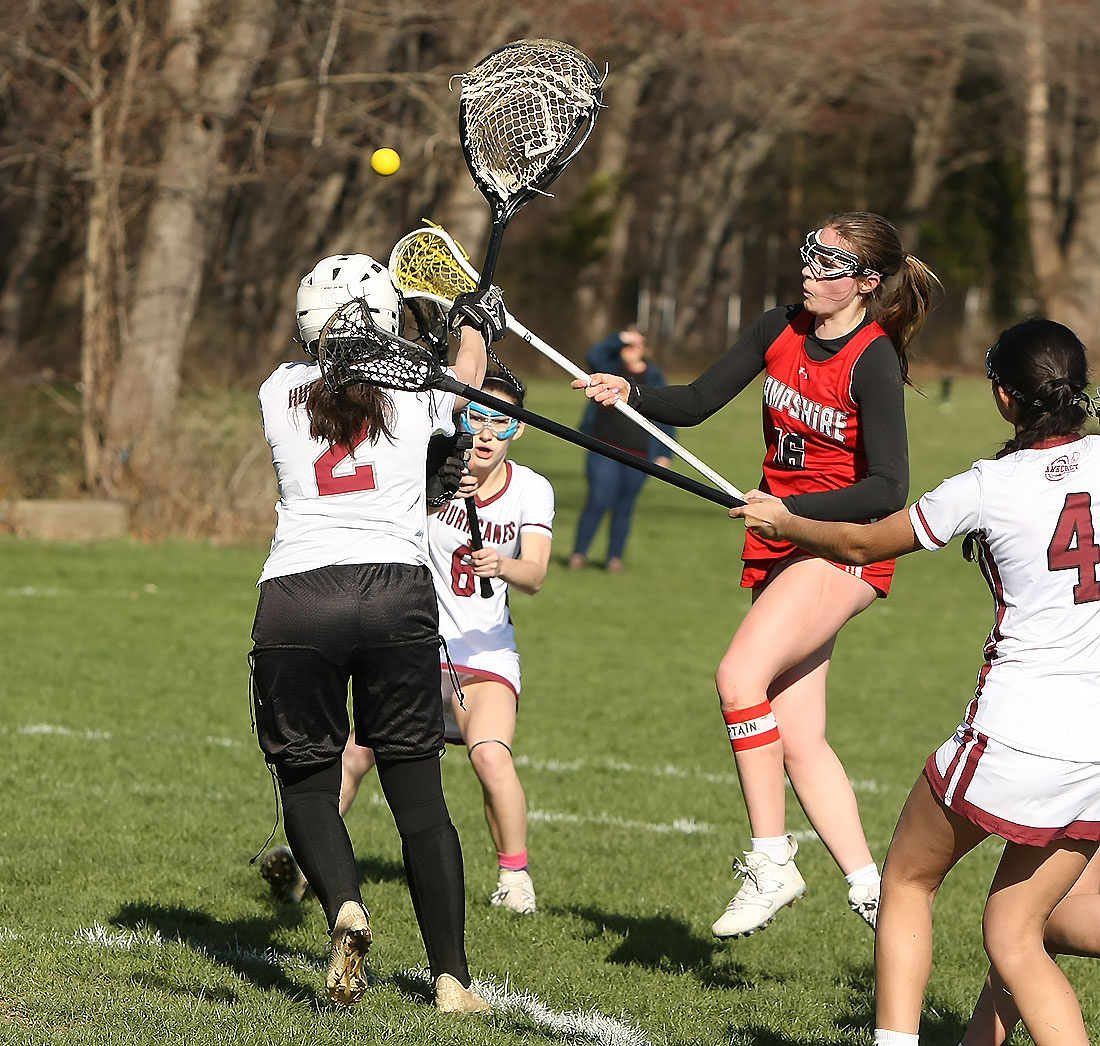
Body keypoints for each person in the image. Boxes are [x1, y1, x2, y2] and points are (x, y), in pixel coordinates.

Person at [730, 317, 1100, 1046]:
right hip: (1095, 746)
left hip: (1015, 732)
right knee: (1016, 936)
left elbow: (867, 540)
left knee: (904, 880)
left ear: (1003, 398)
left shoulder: (989, 484)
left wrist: (785, 518)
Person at [575, 213, 941, 938]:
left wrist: (793, 512)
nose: (808, 270)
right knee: (799, 734)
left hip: (840, 543)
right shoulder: (779, 325)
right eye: (808, 252)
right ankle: (874, 890)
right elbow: (699, 402)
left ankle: (772, 859)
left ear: (866, 282)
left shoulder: (871, 360)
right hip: (784, 539)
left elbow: (889, 488)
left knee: (739, 679)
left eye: (828, 262)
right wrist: (632, 392)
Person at [249, 252, 504, 1012]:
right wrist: (474, 319)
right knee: (419, 797)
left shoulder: (277, 389)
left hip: (298, 594)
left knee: (307, 781)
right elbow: (463, 375)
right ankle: (453, 980)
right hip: (395, 592)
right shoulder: (416, 383)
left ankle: (346, 907)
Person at [269, 374, 555, 915]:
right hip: (415, 646)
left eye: (503, 420)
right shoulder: (423, 472)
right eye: (478, 415)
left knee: (492, 757)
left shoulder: (531, 488)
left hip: (485, 654)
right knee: (354, 756)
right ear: (458, 417)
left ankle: (515, 879)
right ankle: (307, 869)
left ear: (519, 428)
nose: (488, 432)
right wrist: (437, 489)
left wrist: (503, 564)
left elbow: (536, 573)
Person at [568, 328, 674, 572]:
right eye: (627, 345)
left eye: (636, 344)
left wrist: (664, 452)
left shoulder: (655, 376)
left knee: (625, 507)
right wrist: (619, 338)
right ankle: (578, 553)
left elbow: (666, 414)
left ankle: (614, 558)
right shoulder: (610, 369)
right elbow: (593, 355)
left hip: (639, 454)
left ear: (646, 349)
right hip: (603, 448)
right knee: (598, 499)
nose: (631, 349)